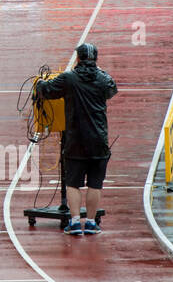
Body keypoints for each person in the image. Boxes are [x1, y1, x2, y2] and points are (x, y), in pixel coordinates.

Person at [35, 43, 116, 235]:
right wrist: (99, 71)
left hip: (75, 141)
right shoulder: (103, 79)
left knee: (73, 183)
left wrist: (39, 83)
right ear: (96, 59)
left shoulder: (69, 79)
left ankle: (73, 222)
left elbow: (46, 90)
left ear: (78, 59)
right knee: (95, 184)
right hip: (99, 140)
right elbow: (112, 89)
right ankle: (90, 222)